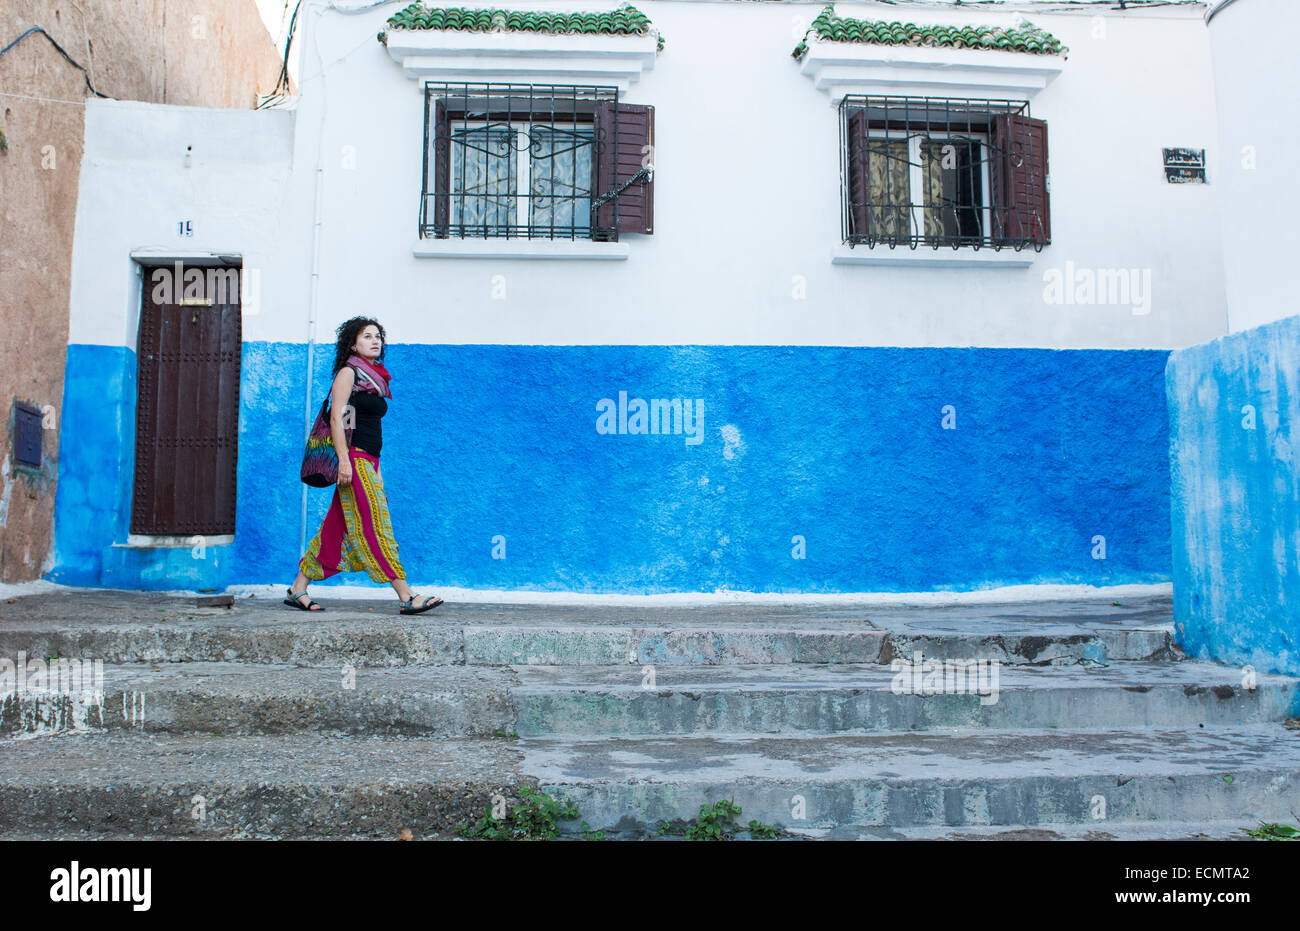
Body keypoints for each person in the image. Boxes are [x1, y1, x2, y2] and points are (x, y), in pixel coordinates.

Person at [284, 316, 443, 614]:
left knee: (335, 526)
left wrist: (377, 469)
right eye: (367, 336)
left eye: (378, 336)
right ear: (353, 343)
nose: (375, 340)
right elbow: (339, 418)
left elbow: (368, 425)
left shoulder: (374, 379)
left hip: (368, 460)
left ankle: (298, 588)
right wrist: (345, 460)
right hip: (353, 459)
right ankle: (406, 594)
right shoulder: (349, 373)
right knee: (376, 525)